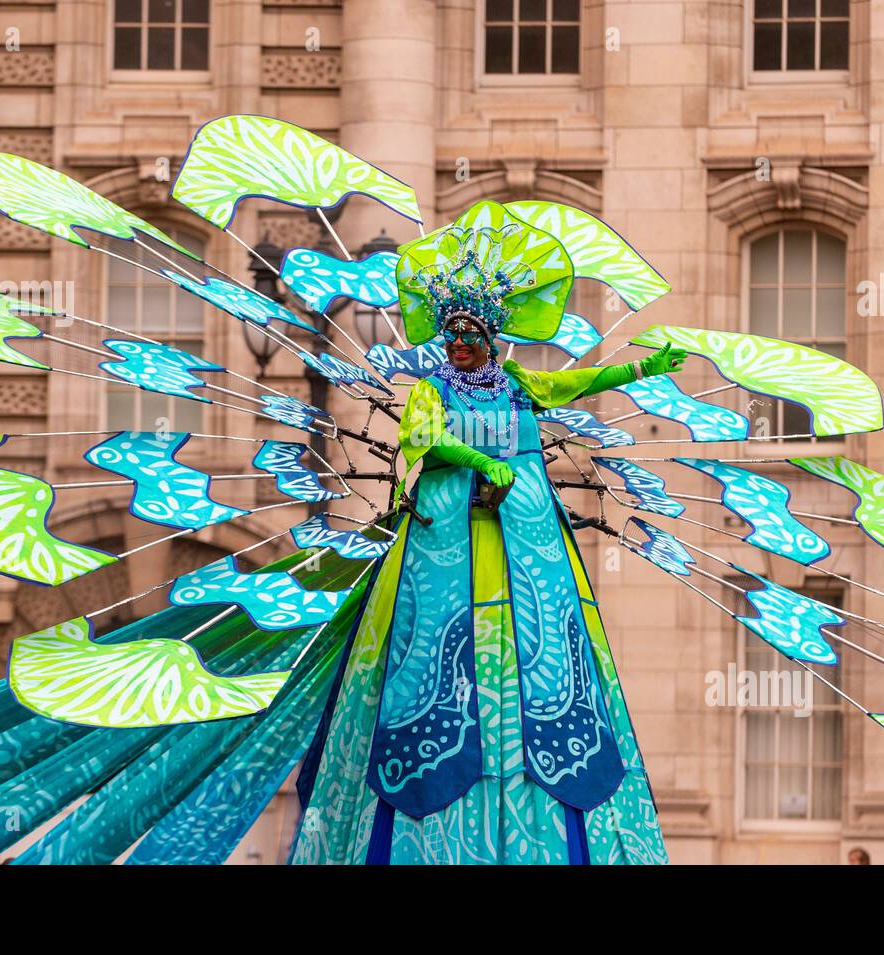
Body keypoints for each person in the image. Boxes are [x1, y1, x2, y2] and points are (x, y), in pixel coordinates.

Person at [289, 217, 686, 864]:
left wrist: (647, 366)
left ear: (492, 339)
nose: (459, 344)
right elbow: (424, 438)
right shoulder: (431, 389)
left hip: (530, 541)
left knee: (545, 660)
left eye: (470, 335)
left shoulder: (518, 385)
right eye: (452, 335)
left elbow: (579, 383)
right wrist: (480, 462)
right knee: (434, 660)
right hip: (445, 540)